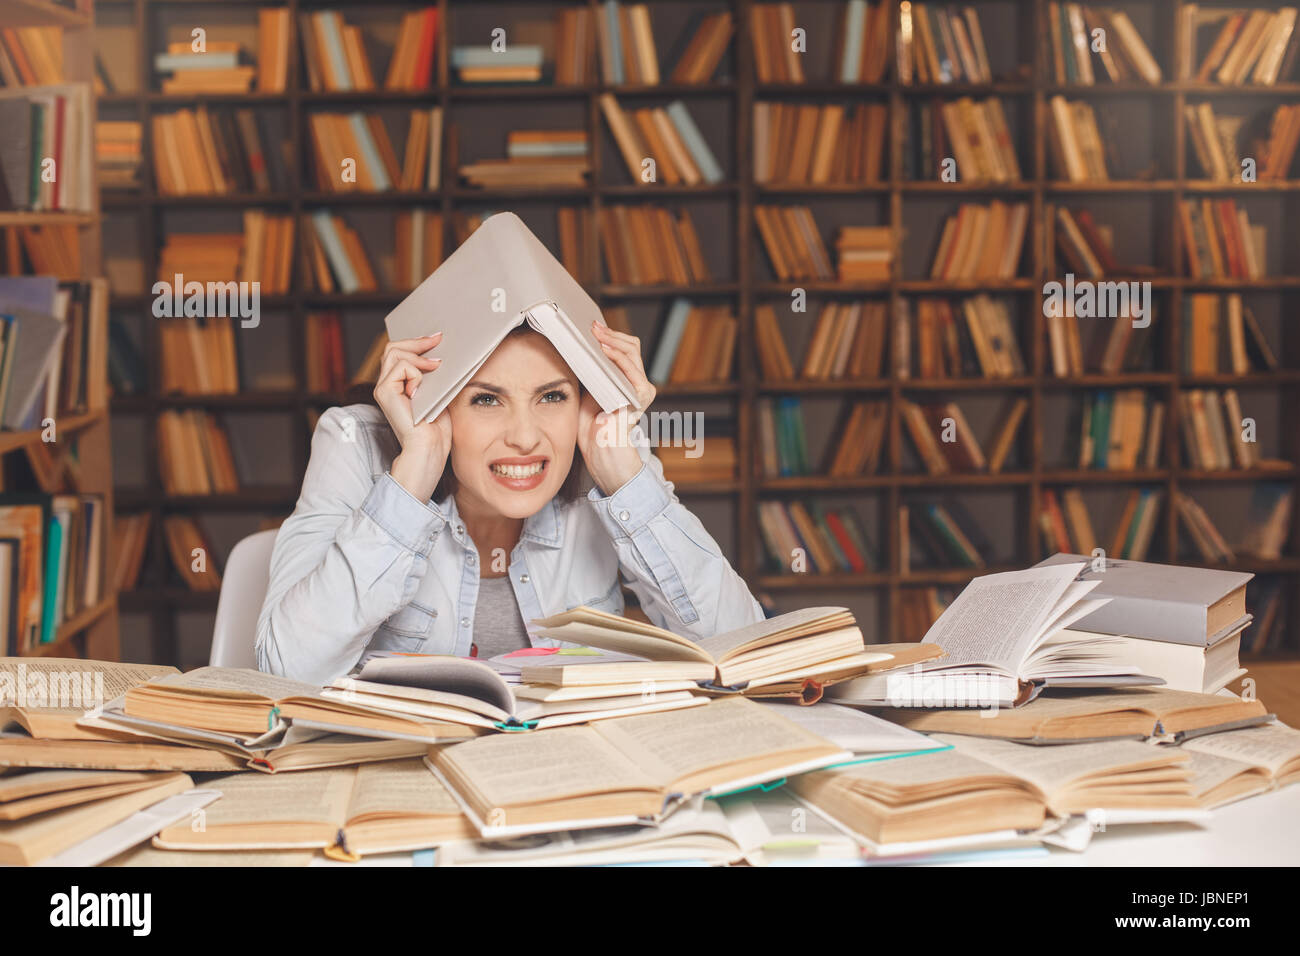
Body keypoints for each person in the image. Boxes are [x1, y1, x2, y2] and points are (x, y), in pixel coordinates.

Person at [255, 319, 764, 684]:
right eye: (485, 399)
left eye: (552, 397)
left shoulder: (607, 448)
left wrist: (626, 478)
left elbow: (744, 649)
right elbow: (285, 674)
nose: (525, 437)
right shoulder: (354, 443)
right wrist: (412, 475)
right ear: (433, 403)